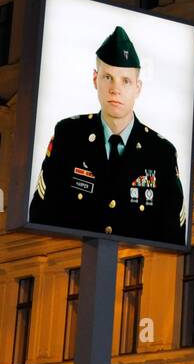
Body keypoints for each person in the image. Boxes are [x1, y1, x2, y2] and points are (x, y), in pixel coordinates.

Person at [29, 26, 185, 246]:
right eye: (108, 77)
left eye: (125, 81)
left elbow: (173, 236)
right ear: (95, 79)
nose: (115, 89)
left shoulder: (161, 153)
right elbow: (41, 215)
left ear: (138, 88)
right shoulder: (69, 136)